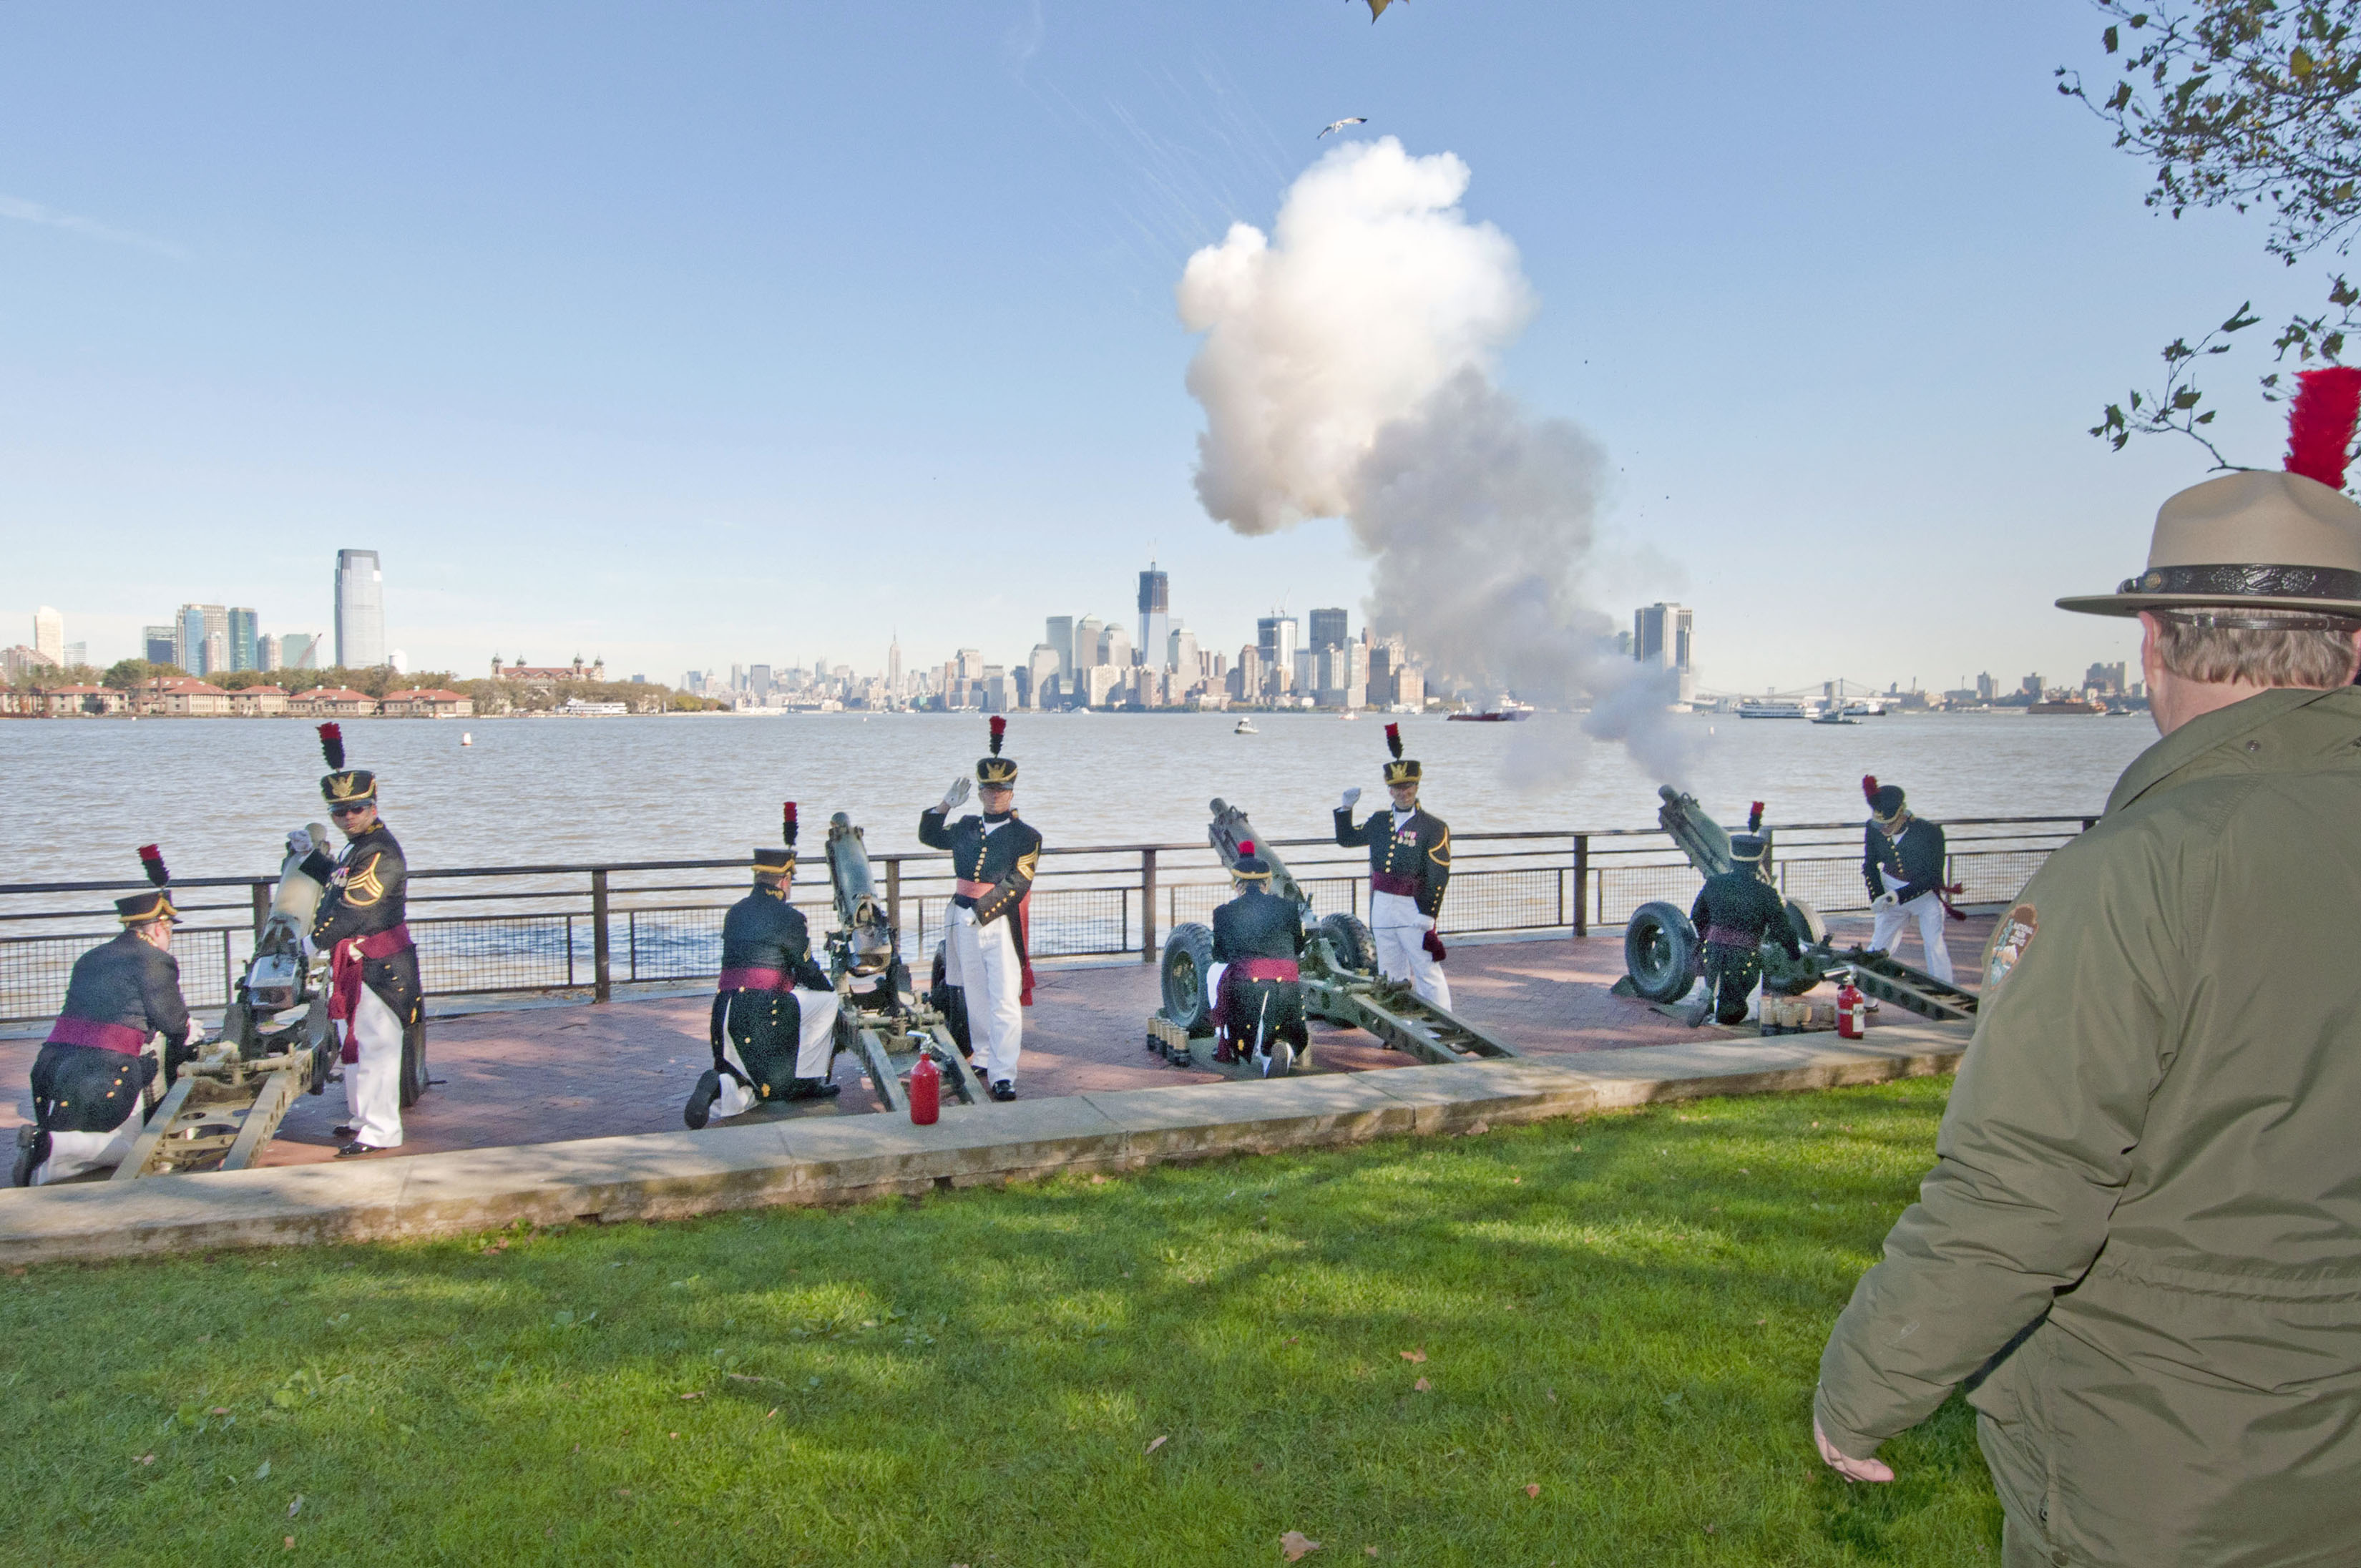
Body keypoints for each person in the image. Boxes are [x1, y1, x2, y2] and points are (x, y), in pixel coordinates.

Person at [1812, 369, 2361, 1567]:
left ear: (2153, 645)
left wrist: (1864, 1381)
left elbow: (2026, 1193)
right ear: (2354, 651)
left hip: (2181, 1461)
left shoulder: (2134, 876)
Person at [12, 847, 201, 1186]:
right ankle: (50, 1147)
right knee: (131, 1142)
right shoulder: (154, 960)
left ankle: (49, 1146)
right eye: (170, 929)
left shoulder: (91, 956)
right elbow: (174, 1024)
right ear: (159, 927)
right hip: (113, 1067)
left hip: (57, 1064)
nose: (170, 936)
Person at [294, 723, 422, 1157]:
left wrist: (313, 943)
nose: (348, 816)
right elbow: (337, 881)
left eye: (357, 807)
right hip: (356, 961)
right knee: (356, 1041)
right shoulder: (357, 847)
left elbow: (355, 908)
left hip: (379, 962)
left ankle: (381, 1129)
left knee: (377, 1046)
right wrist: (306, 858)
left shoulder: (380, 851)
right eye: (339, 811)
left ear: (374, 804)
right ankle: (362, 1118)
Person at [685, 803, 843, 1127]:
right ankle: (809, 1079)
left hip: (725, 1008)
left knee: (748, 1089)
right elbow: (807, 971)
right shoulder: (790, 917)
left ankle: (719, 1085)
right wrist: (832, 991)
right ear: (784, 881)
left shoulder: (736, 911)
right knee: (826, 1003)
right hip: (762, 1009)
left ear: (758, 878)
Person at [919, 715, 1040, 1102]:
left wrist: (983, 911)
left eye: (1000, 789)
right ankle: (984, 1054)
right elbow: (928, 835)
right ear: (981, 793)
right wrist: (944, 805)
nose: (993, 795)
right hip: (960, 917)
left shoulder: (1027, 836)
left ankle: (1004, 1074)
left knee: (1004, 996)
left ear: (1011, 791)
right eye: (987, 789)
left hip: (997, 921)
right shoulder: (966, 826)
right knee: (974, 992)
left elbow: (1019, 883)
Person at [1334, 722, 1452, 1008]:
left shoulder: (1433, 827)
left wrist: (1429, 914)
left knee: (1426, 970)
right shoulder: (1378, 822)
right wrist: (1345, 809)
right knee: (1390, 972)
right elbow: (1347, 840)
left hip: (1413, 907)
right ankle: (1398, 1028)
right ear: (1390, 791)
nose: (1403, 792)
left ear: (1417, 786)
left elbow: (1438, 874)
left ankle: (1444, 1025)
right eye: (1397, 788)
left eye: (1408, 786)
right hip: (1382, 906)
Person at [1686, 807, 1799, 1026]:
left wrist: (1708, 936)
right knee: (1740, 1012)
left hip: (1713, 954)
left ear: (1732, 858)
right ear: (1758, 862)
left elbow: (1696, 915)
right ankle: (1726, 1010)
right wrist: (1794, 954)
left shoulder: (1714, 883)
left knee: (1719, 986)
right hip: (1744, 958)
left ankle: (1710, 996)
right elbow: (1782, 929)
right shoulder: (1766, 892)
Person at [1208, 841, 1307, 1076]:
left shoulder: (1223, 912)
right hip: (1287, 978)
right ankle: (1284, 1051)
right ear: (1267, 882)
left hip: (1249, 979)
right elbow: (1298, 946)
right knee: (1285, 1029)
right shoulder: (1289, 908)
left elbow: (1219, 954)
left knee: (1214, 972)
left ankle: (1226, 1043)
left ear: (1237, 883)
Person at [1858, 775, 1955, 984]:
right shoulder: (1873, 828)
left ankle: (1943, 990)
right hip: (1889, 888)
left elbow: (1933, 877)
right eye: (1879, 824)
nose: (1882, 829)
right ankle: (1867, 998)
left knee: (1933, 941)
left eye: (1887, 824)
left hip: (1924, 893)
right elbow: (1870, 865)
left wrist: (1896, 896)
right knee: (1879, 944)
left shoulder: (1930, 833)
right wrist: (1877, 896)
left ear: (1902, 814)